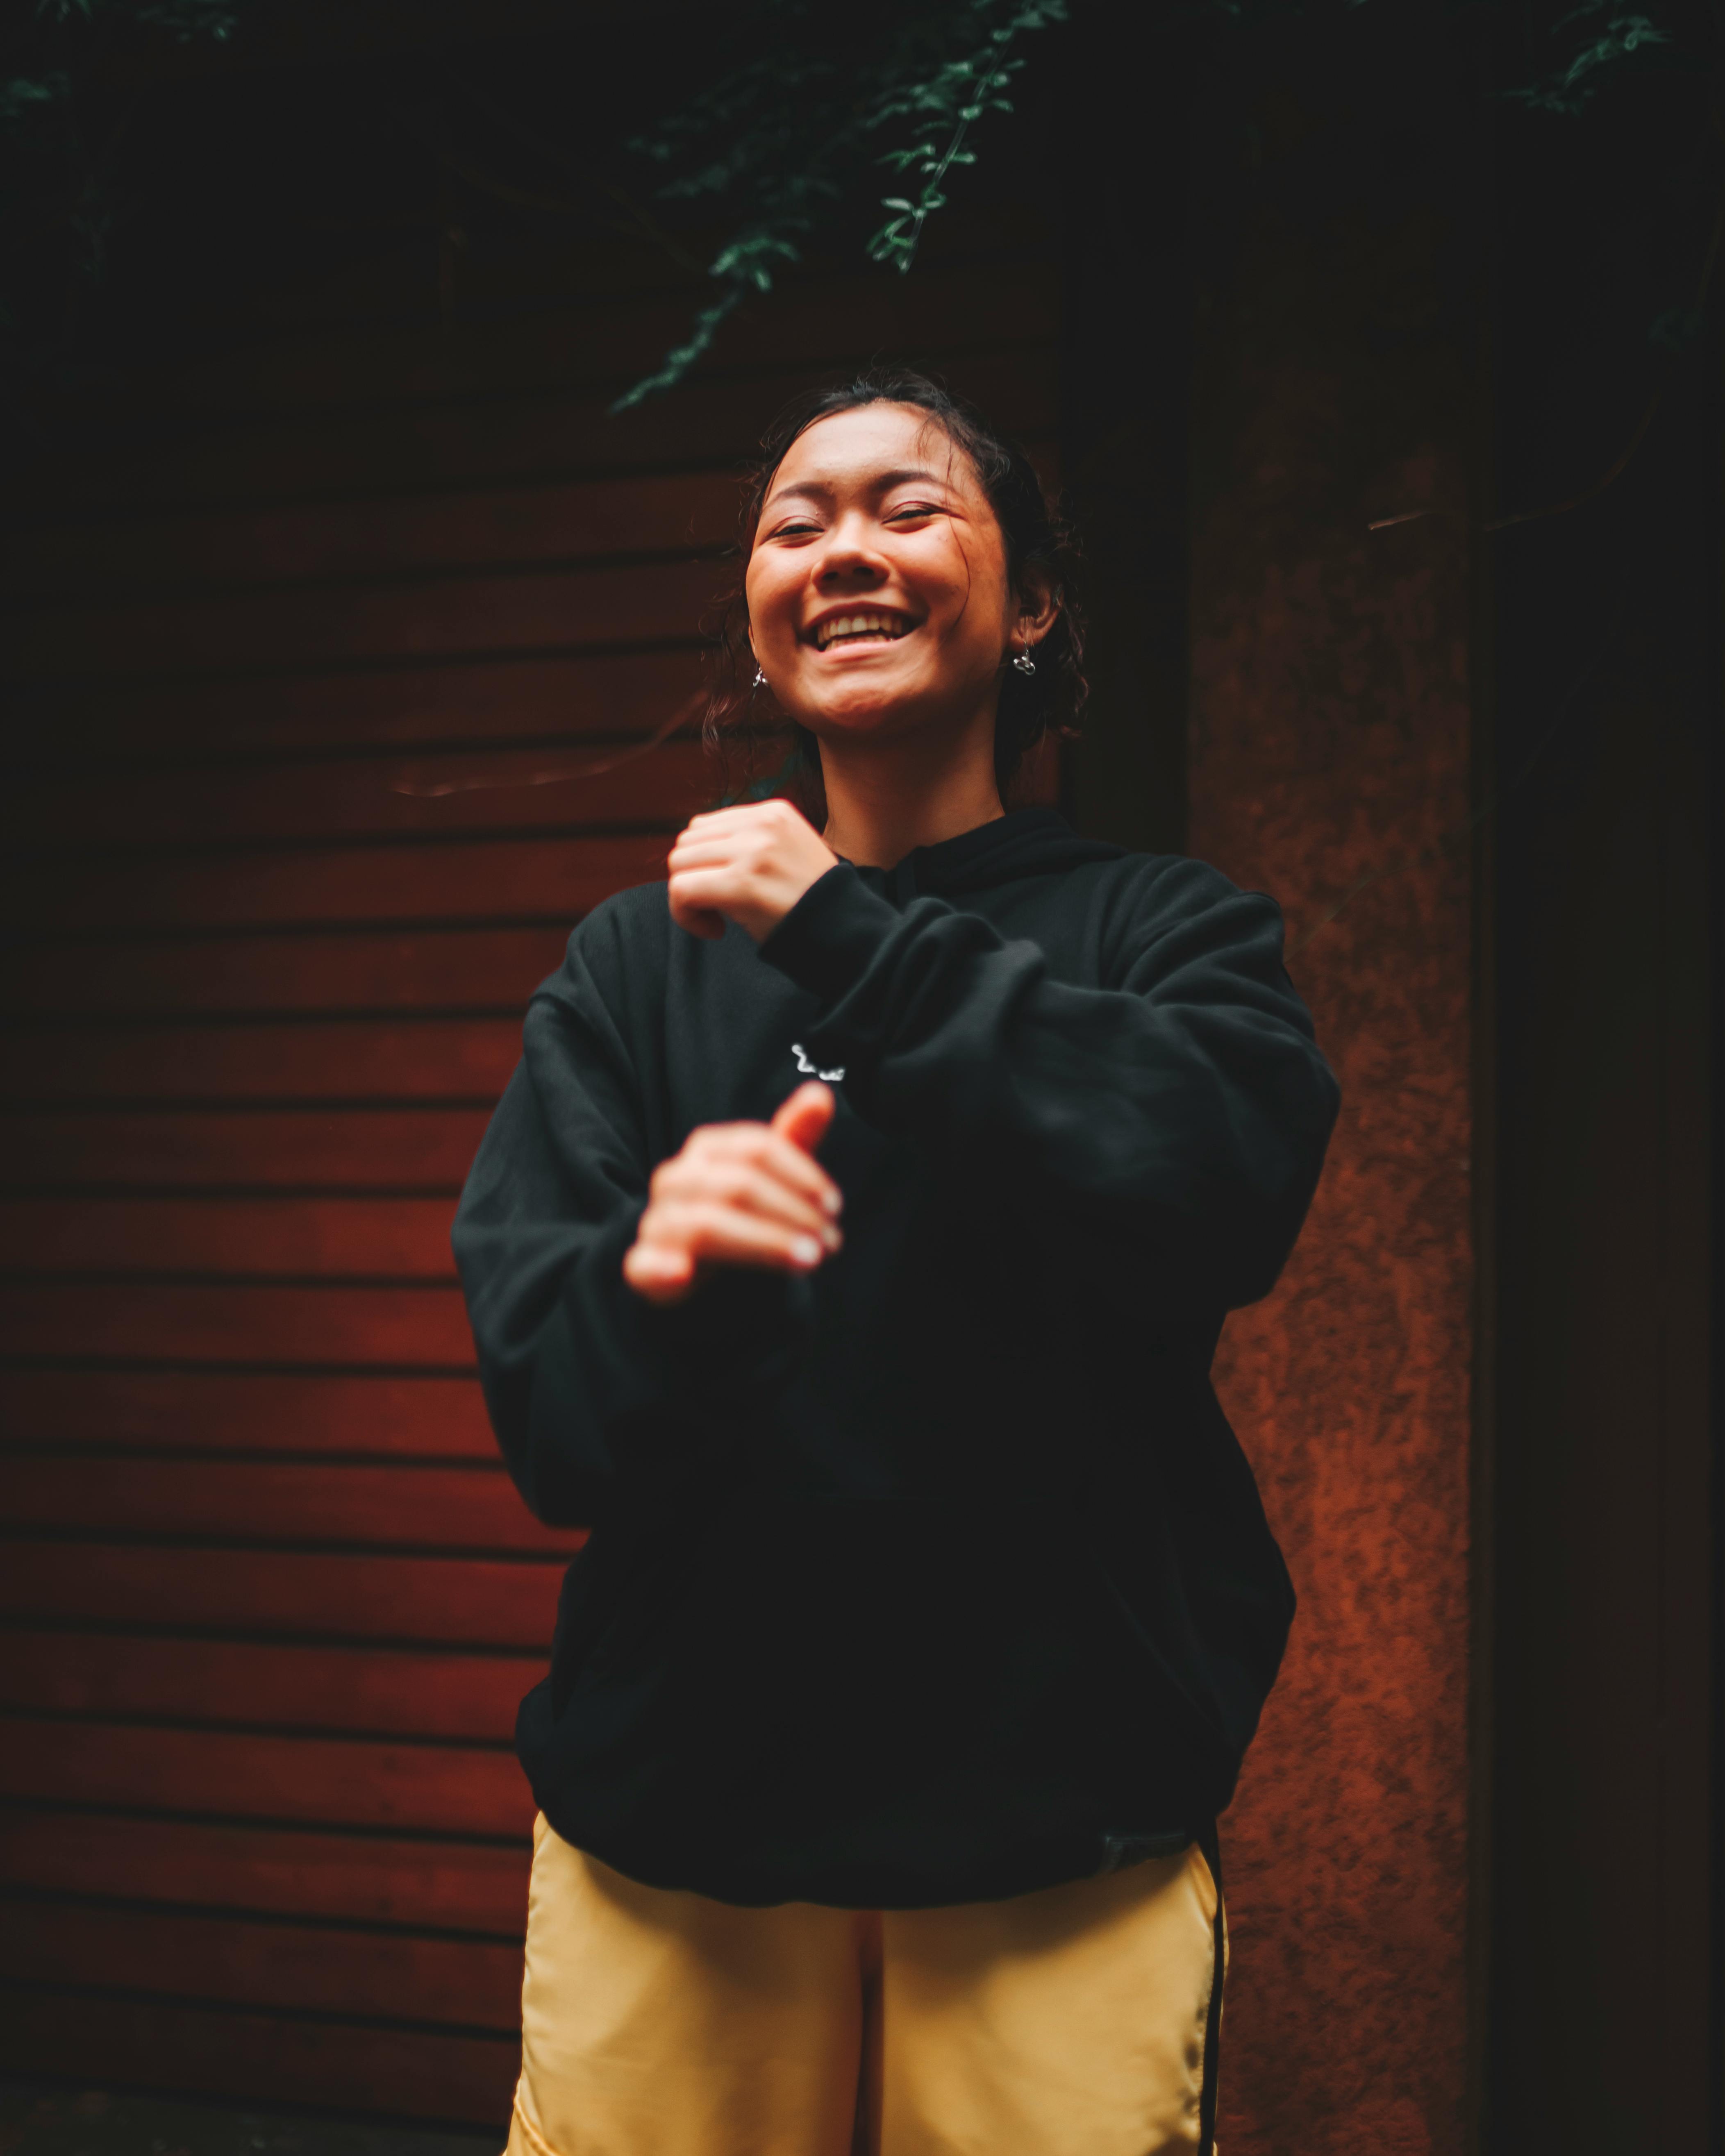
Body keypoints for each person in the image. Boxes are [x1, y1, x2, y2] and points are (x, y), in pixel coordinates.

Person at [452, 370, 1340, 2156]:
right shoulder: (636, 965)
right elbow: (551, 1416)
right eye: (797, 522)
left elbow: (1222, 1183)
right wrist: (657, 1277)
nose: (843, 547)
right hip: (676, 1832)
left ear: (1031, 608)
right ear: (762, 620)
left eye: (907, 506)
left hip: (1052, 1839)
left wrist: (846, 934)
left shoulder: (1164, 931)